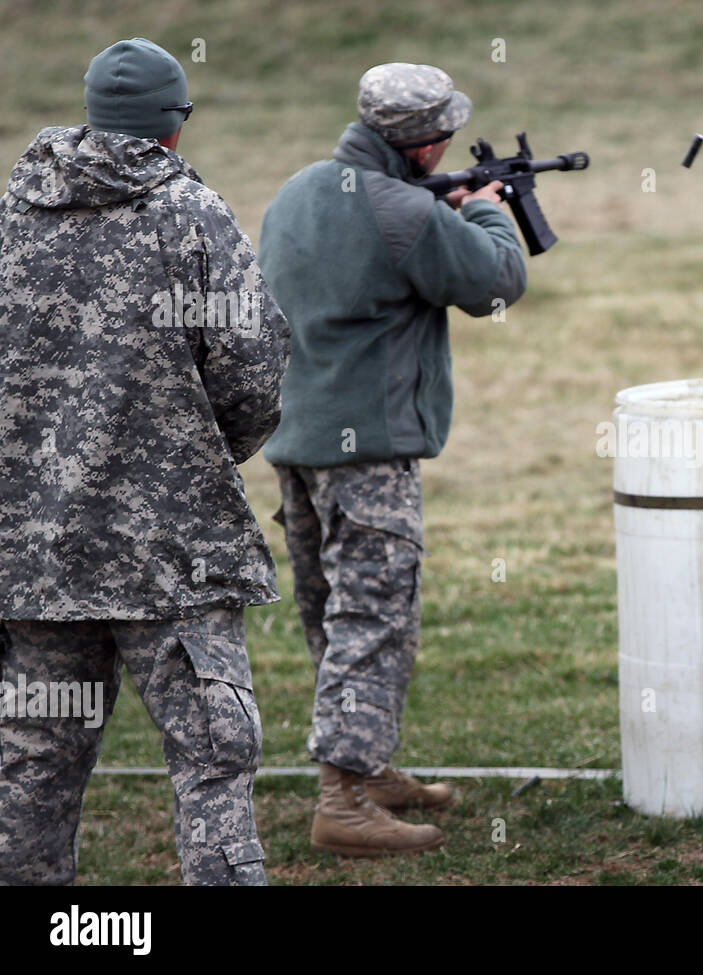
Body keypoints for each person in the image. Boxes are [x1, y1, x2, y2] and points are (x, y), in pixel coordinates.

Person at [0, 38, 289, 885]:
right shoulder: (189, 215)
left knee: (29, 772)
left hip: (34, 553)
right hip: (174, 553)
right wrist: (204, 454)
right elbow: (252, 368)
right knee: (212, 758)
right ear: (174, 126)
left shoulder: (12, 217)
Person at [258, 62, 526, 857]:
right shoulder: (406, 210)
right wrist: (486, 213)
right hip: (369, 449)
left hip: (297, 440)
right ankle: (344, 801)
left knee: (331, 609)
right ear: (428, 144)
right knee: (373, 619)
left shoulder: (299, 190)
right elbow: (496, 283)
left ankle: (366, 767)